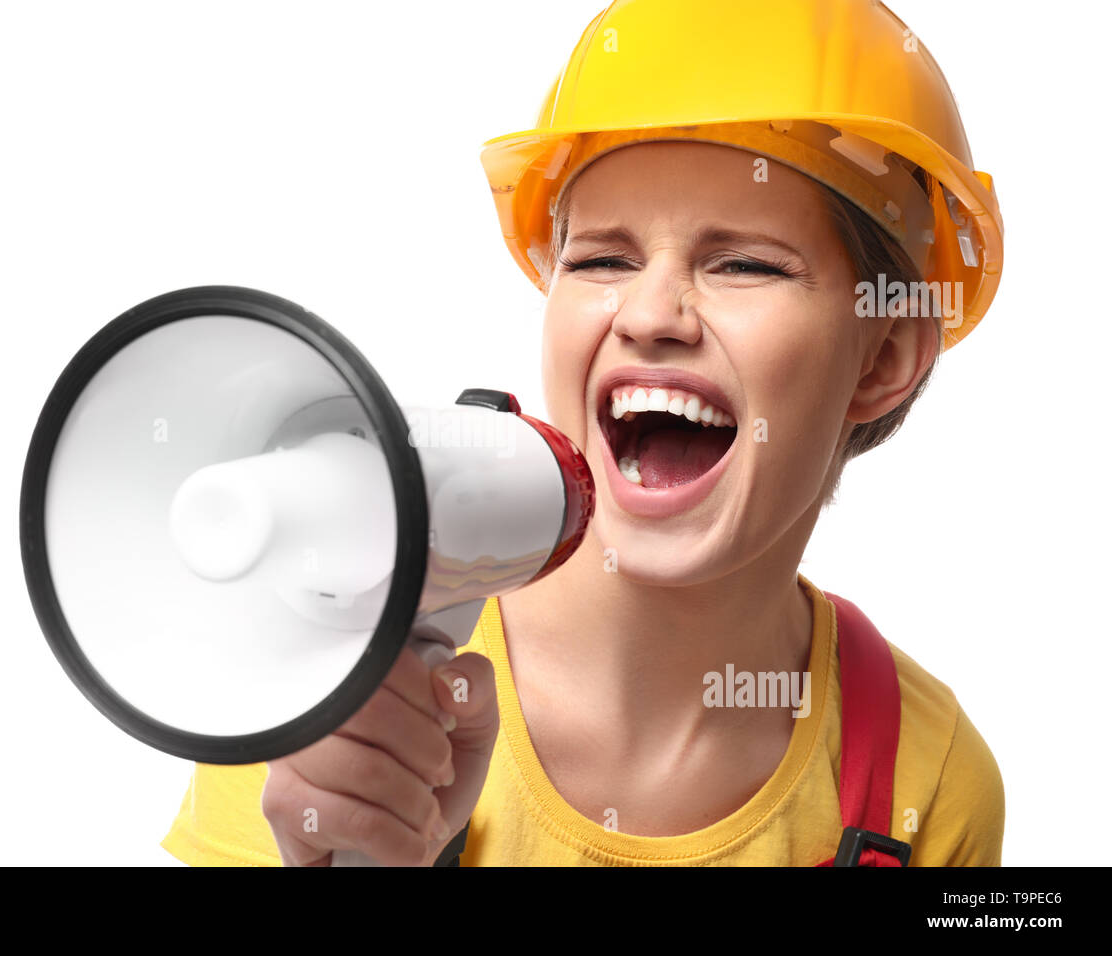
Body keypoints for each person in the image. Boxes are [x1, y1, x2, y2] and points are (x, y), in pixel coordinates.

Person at [160, 0, 1005, 866]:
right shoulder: (328, 687)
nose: (648, 313)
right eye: (602, 258)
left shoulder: (922, 787)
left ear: (884, 353)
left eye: (745, 263)